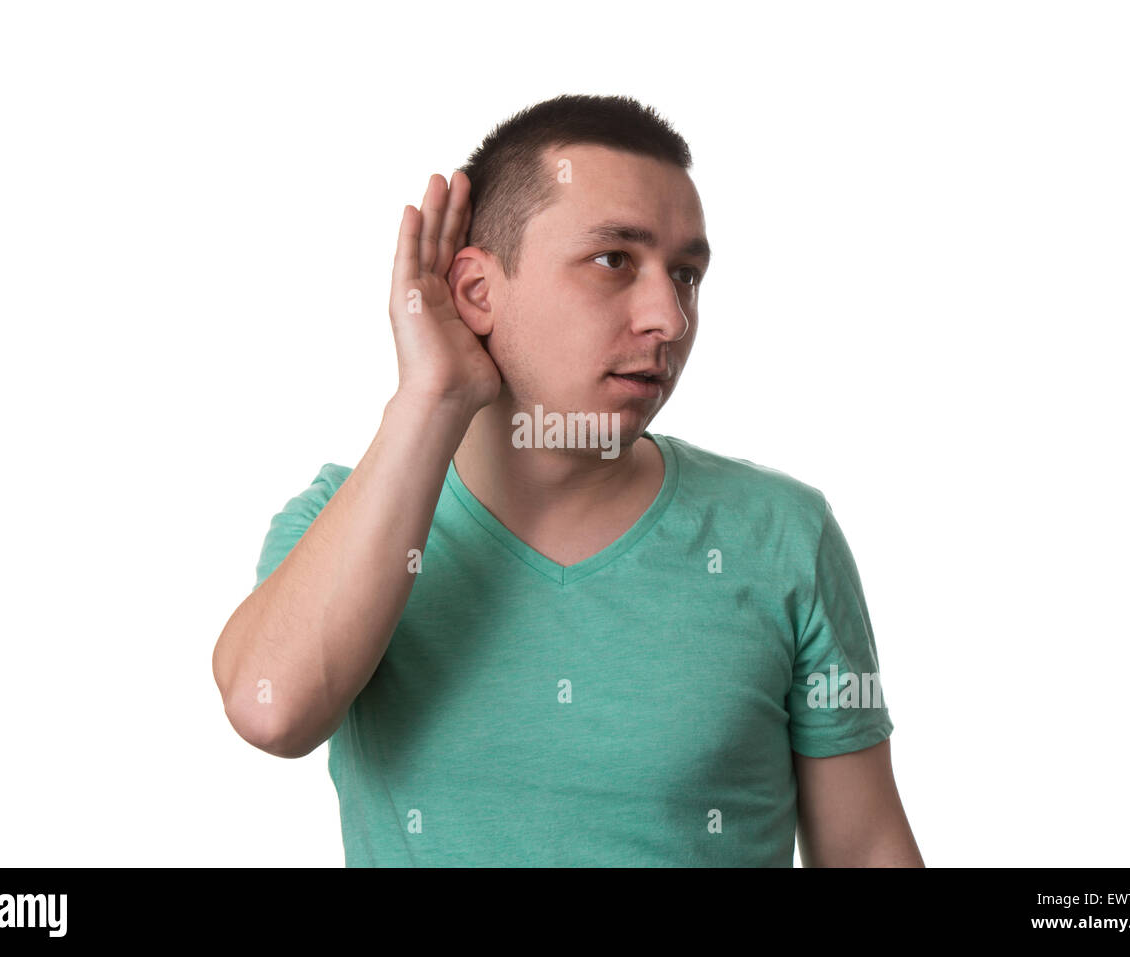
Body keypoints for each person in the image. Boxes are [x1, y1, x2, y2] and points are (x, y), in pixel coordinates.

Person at [211, 93, 924, 867]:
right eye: (615, 260)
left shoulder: (784, 534)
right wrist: (432, 395)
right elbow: (268, 711)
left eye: (685, 276)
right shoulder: (343, 523)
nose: (669, 319)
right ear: (477, 292)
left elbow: (864, 849)